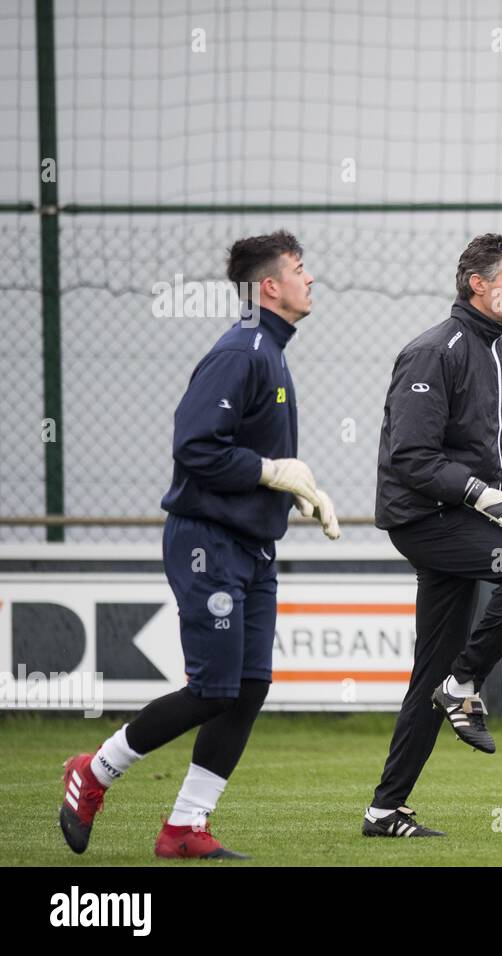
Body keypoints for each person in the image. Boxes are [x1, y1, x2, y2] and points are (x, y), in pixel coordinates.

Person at [59, 230, 341, 859]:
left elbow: (240, 450)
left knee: (248, 686)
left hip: (253, 546)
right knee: (214, 688)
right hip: (208, 542)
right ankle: (94, 772)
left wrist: (292, 486)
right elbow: (194, 446)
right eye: (300, 269)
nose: (310, 278)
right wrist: (271, 472)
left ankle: (186, 827)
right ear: (270, 286)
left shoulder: (272, 349)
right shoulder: (242, 351)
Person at [365, 233, 502, 837]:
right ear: (477, 284)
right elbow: (411, 457)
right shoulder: (433, 351)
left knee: (426, 677)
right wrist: (483, 493)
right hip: (422, 520)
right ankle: (465, 682)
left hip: (460, 517)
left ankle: (384, 811)